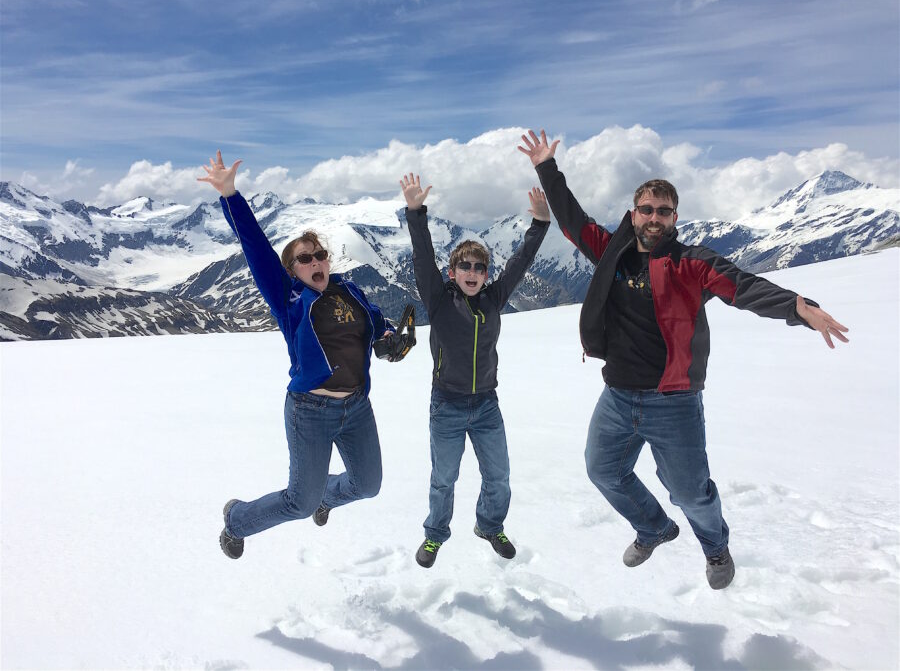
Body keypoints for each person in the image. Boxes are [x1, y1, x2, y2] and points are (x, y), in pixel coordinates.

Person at [518, 130, 849, 589]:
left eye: (663, 211)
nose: (654, 218)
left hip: (673, 402)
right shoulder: (610, 251)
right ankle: (654, 527)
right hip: (617, 396)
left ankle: (715, 549)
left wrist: (797, 306)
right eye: (646, 210)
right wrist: (546, 169)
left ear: (675, 216)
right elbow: (572, 220)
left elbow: (743, 287)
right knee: (603, 471)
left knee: (691, 493)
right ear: (634, 214)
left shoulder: (691, 262)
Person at [198, 151, 395, 559]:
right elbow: (255, 248)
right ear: (293, 270)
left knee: (367, 485)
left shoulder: (349, 290)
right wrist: (230, 195)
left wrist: (390, 337)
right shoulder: (289, 299)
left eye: (319, 254)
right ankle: (236, 519)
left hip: (356, 406)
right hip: (311, 410)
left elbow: (376, 322)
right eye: (304, 259)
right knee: (298, 503)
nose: (315, 261)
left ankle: (326, 495)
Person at [400, 173, 551, 568]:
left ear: (486, 274)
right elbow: (421, 256)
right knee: (443, 479)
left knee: (498, 477)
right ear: (452, 272)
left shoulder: (494, 299)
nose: (471, 272)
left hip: (486, 404)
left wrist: (539, 224)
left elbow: (521, 262)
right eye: (464, 266)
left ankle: (489, 525)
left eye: (479, 267)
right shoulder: (437, 299)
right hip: (446, 405)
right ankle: (434, 535)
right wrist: (416, 213)